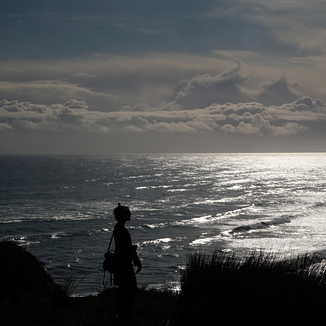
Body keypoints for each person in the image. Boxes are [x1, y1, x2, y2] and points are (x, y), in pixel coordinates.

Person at [113, 203, 142, 324]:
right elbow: (126, 248)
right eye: (128, 213)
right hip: (124, 263)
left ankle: (122, 315)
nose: (130, 214)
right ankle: (127, 315)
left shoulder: (117, 228)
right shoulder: (122, 230)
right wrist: (136, 259)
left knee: (123, 289)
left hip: (120, 262)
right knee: (130, 289)